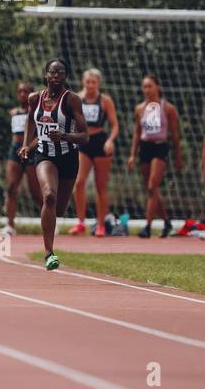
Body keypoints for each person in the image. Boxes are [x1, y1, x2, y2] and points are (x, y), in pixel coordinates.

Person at [20, 58, 88, 269]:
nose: (56, 75)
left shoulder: (72, 100)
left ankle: (52, 220)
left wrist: (65, 136)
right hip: (44, 154)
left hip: (68, 157)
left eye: (60, 72)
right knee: (49, 195)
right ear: (46, 75)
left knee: (58, 209)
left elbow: (85, 136)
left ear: (65, 76)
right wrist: (26, 145)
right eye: (52, 72)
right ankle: (49, 253)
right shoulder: (34, 99)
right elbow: (31, 120)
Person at [128, 73, 184, 238]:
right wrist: (132, 155)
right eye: (144, 86)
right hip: (145, 148)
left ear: (157, 87)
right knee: (151, 190)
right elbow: (137, 133)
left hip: (160, 147)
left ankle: (148, 226)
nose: (147, 90)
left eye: (150, 86)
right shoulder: (139, 108)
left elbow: (174, 134)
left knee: (153, 186)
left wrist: (178, 156)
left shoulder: (168, 108)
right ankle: (166, 222)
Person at [68, 68, 119, 237]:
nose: (90, 85)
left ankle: (101, 224)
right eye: (87, 82)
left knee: (100, 185)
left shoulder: (105, 100)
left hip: (100, 143)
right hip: (84, 142)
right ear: (83, 82)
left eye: (93, 82)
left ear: (98, 83)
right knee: (79, 182)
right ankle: (80, 222)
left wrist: (110, 140)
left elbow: (115, 125)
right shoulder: (77, 99)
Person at [4, 81, 43, 234]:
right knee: (11, 187)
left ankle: (50, 220)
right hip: (15, 151)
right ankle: (10, 225)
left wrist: (28, 146)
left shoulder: (37, 113)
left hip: (31, 151)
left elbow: (40, 135)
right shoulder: (14, 112)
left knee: (35, 192)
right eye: (19, 91)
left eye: (25, 92)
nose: (22, 94)